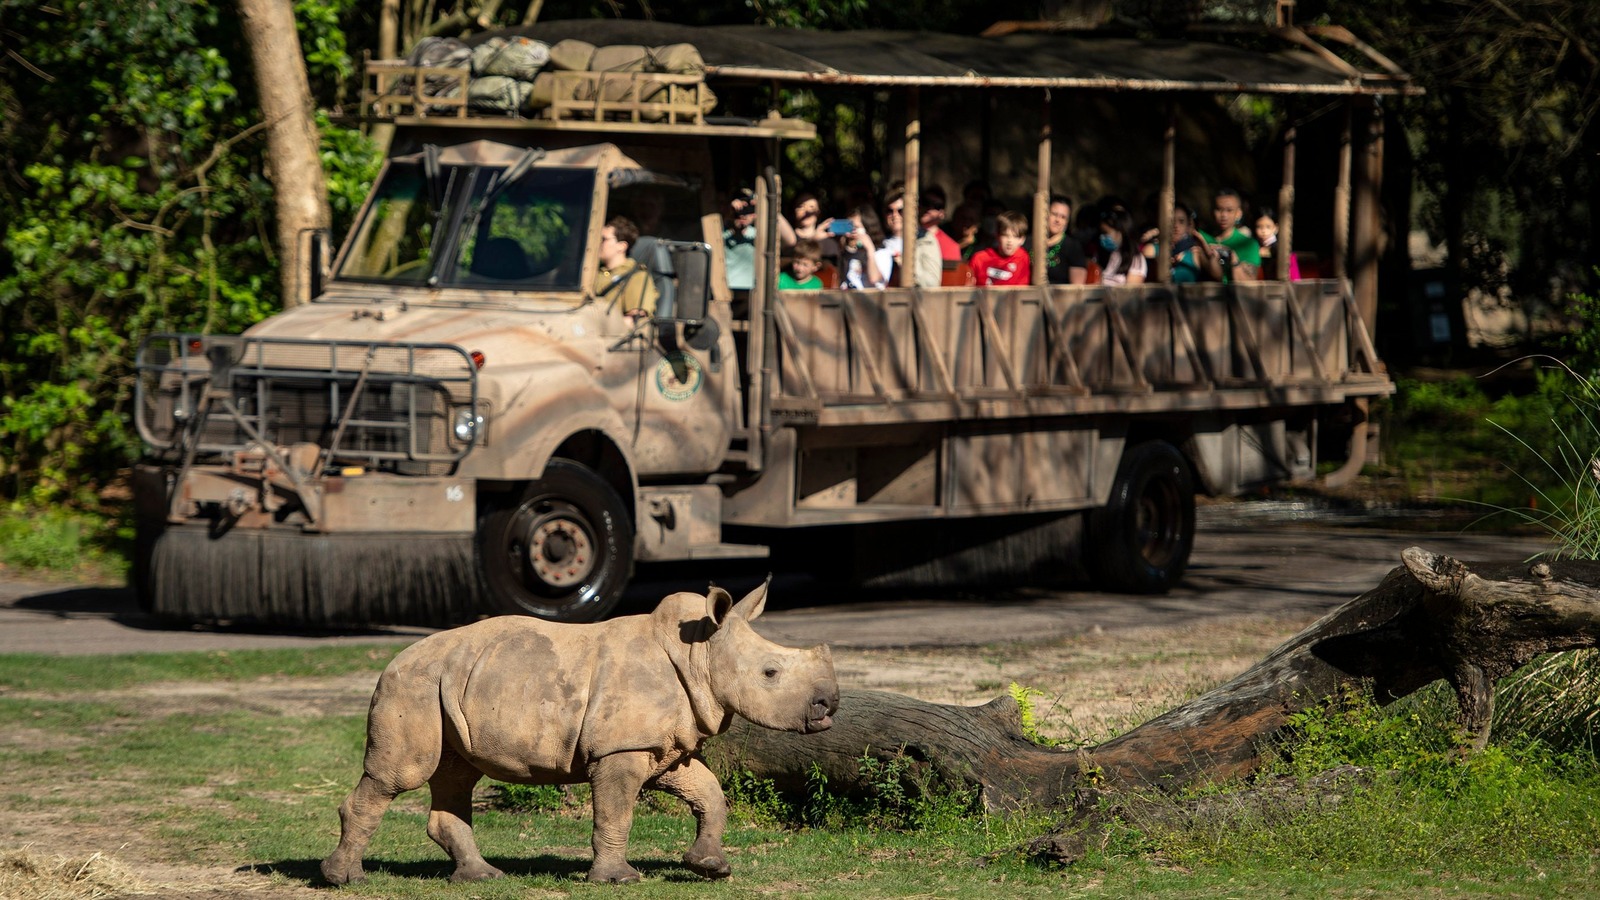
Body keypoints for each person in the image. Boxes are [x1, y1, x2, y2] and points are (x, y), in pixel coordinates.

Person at [593, 216, 659, 318]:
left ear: (622, 246)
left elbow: (633, 322)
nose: (597, 243)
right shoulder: (593, 273)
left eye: (604, 239)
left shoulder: (636, 276)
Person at [1199, 188, 1261, 283]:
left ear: (1238, 214)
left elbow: (1249, 283)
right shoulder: (1201, 237)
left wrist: (1234, 261)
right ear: (1211, 211)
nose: (1224, 215)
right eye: (1219, 209)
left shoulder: (1249, 245)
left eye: (1229, 210)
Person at [968, 210, 1031, 287]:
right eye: (1005, 235)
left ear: (1022, 240)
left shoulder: (1023, 258)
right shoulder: (979, 259)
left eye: (1015, 236)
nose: (1010, 241)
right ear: (997, 235)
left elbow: (1022, 291)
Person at [835, 205, 886, 289]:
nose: (852, 232)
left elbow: (874, 278)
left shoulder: (882, 253)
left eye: (856, 227)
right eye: (849, 227)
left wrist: (870, 249)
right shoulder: (847, 253)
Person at [1095, 207, 1147, 285]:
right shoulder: (1102, 255)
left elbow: (1131, 293)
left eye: (1106, 233)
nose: (1102, 237)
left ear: (1121, 232)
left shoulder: (1136, 260)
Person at [1044, 194, 1089, 285]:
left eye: (1063, 217)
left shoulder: (1073, 247)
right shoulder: (1030, 241)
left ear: (1067, 222)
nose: (1057, 220)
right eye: (1054, 214)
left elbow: (1077, 287)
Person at [723, 188, 758, 291]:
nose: (743, 214)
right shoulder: (719, 233)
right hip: (724, 290)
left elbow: (790, 241)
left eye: (749, 208)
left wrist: (763, 208)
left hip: (752, 292)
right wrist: (728, 212)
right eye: (740, 207)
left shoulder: (758, 235)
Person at [1254, 206, 1301, 281]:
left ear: (1275, 228)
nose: (1263, 231)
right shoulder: (1254, 246)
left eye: (1268, 227)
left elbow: (1295, 277)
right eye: (1259, 227)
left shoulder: (1283, 248)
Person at [919, 186, 962, 263]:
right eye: (925, 202)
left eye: (936, 206)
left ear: (942, 213)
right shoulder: (905, 237)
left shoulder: (950, 247)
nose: (929, 208)